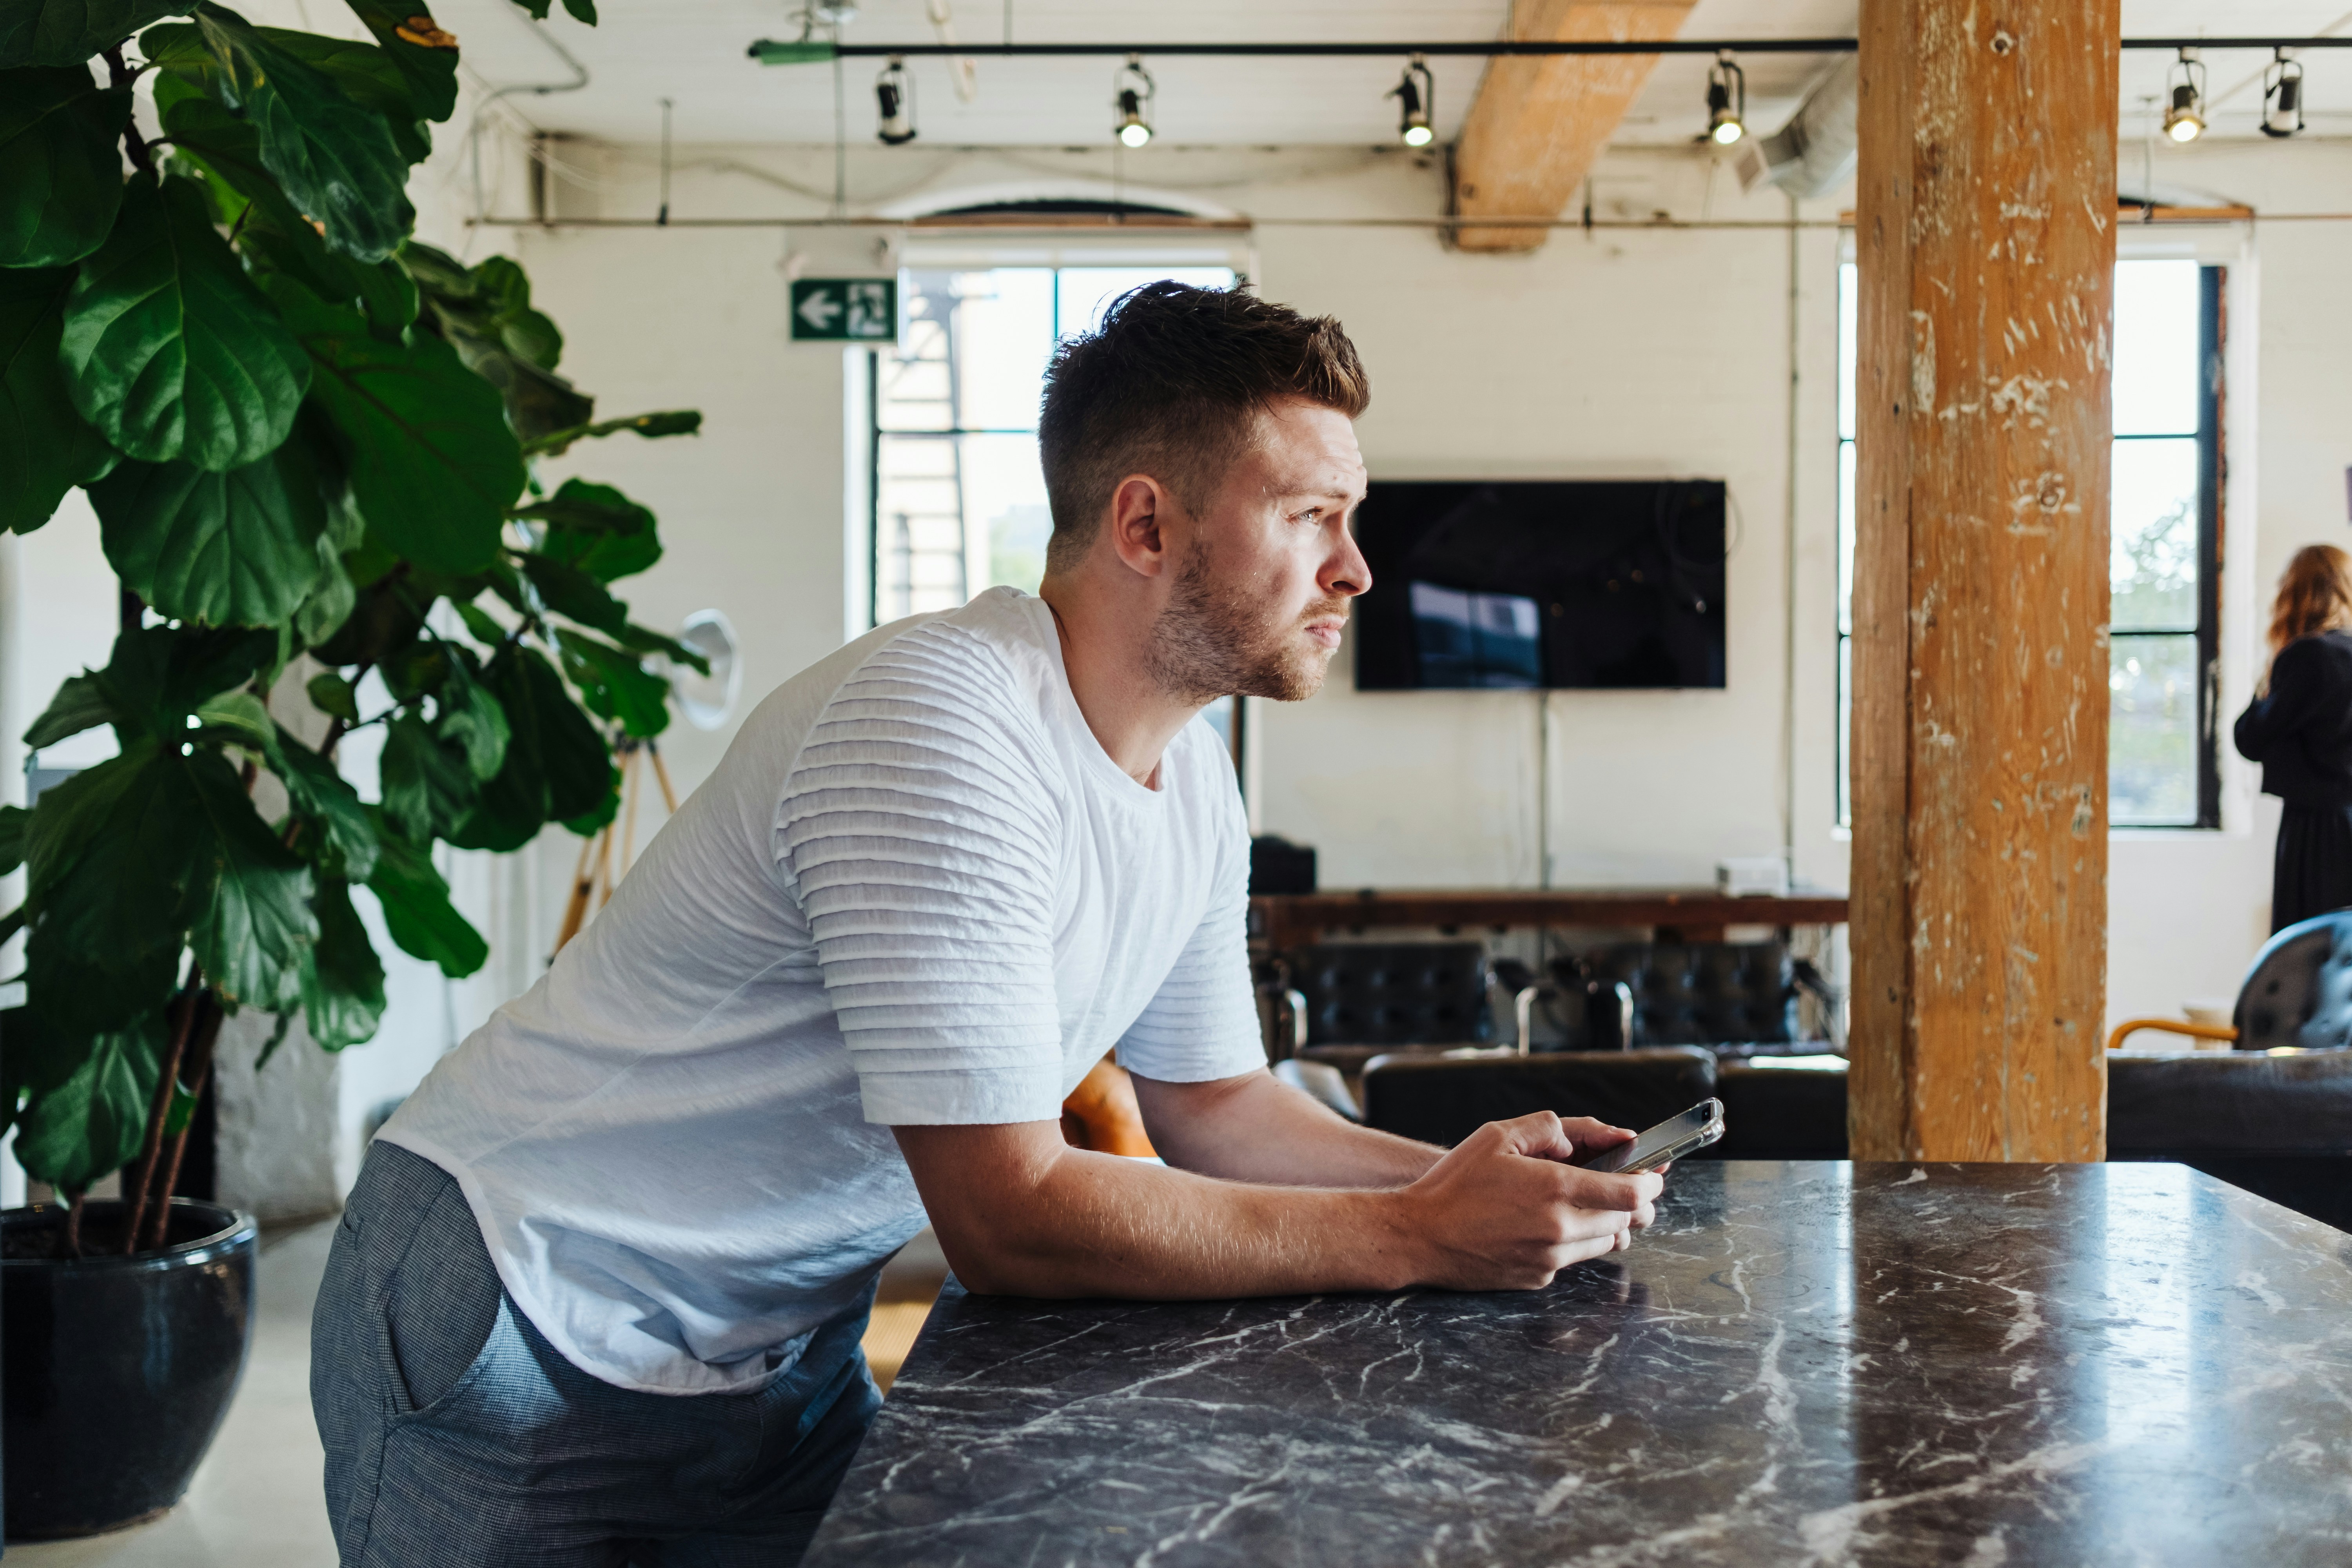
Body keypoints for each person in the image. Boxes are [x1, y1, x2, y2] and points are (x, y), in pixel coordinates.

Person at [310, 283, 1665, 1566]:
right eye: (1312, 516)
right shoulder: (943, 721)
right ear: (1147, 527)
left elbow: (1221, 1107)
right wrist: (1425, 1237)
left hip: (770, 1348)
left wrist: (1482, 1189)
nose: (1358, 570)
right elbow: (1009, 1215)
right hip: (517, 1302)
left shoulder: (1193, 770)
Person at [2235, 543, 2352, 932]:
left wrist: (2265, 685)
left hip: (2320, 830)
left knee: (2311, 952)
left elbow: (2250, 737)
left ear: (2295, 594)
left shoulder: (2308, 657)